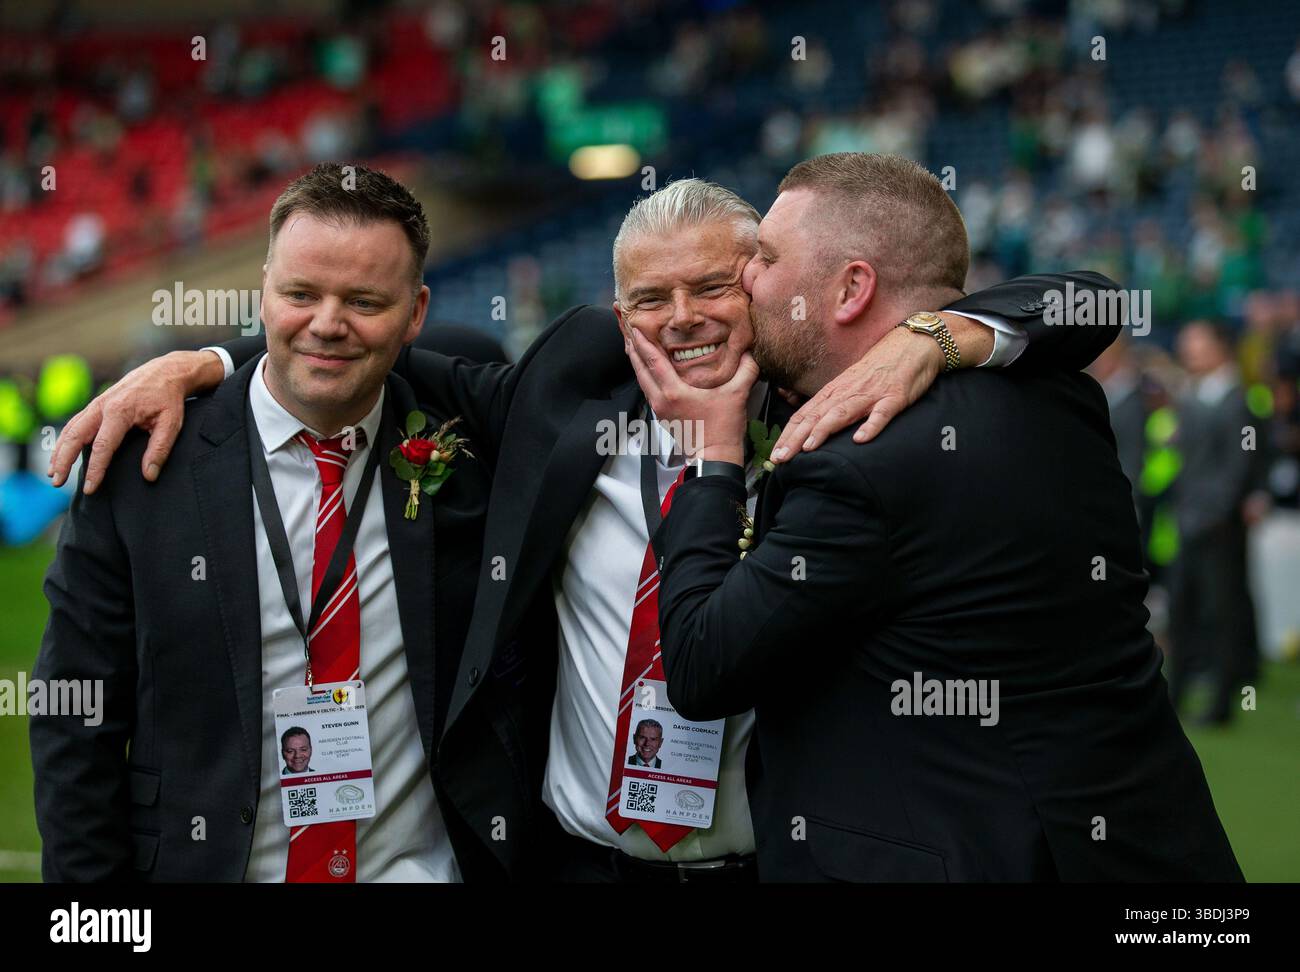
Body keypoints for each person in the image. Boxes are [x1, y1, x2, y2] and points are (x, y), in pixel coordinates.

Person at [49, 166, 1124, 883]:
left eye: (713, 286)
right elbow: (343, 350)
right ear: (612, 315)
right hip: (575, 864)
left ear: (767, 288)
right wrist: (207, 361)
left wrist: (939, 333)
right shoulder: (559, 396)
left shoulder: (845, 424)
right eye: (647, 298)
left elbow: (1084, 301)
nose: (682, 317)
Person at [632, 153, 1243, 881]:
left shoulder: (858, 465)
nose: (746, 279)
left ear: (852, 287)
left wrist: (713, 460)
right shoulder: (1057, 390)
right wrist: (943, 334)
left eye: (763, 257)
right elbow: (1093, 301)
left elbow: (701, 664)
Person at [32, 164, 502, 882]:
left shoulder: (466, 449)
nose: (326, 323)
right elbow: (75, 720)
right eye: (300, 294)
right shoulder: (143, 463)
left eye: (365, 301)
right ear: (263, 293)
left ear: (416, 312)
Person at [1167, 320, 1264, 725]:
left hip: (1217, 527)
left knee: (1220, 612)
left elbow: (1240, 465)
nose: (1188, 351)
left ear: (1221, 347)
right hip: (1188, 521)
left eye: (1197, 343)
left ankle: (1222, 702)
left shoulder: (1238, 401)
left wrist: (1217, 513)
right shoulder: (1191, 398)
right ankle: (1176, 695)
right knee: (1181, 609)